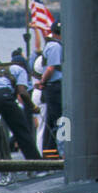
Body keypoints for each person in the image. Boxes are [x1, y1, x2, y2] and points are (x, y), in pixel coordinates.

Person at [0, 56, 42, 179]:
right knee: (21, 131)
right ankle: (38, 167)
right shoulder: (20, 70)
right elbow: (23, 92)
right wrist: (33, 107)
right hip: (4, 96)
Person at [34, 22, 64, 155]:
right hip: (55, 88)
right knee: (62, 121)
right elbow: (51, 68)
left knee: (54, 122)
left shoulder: (52, 45)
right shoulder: (55, 46)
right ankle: (61, 152)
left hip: (54, 87)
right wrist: (42, 81)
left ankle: (50, 153)